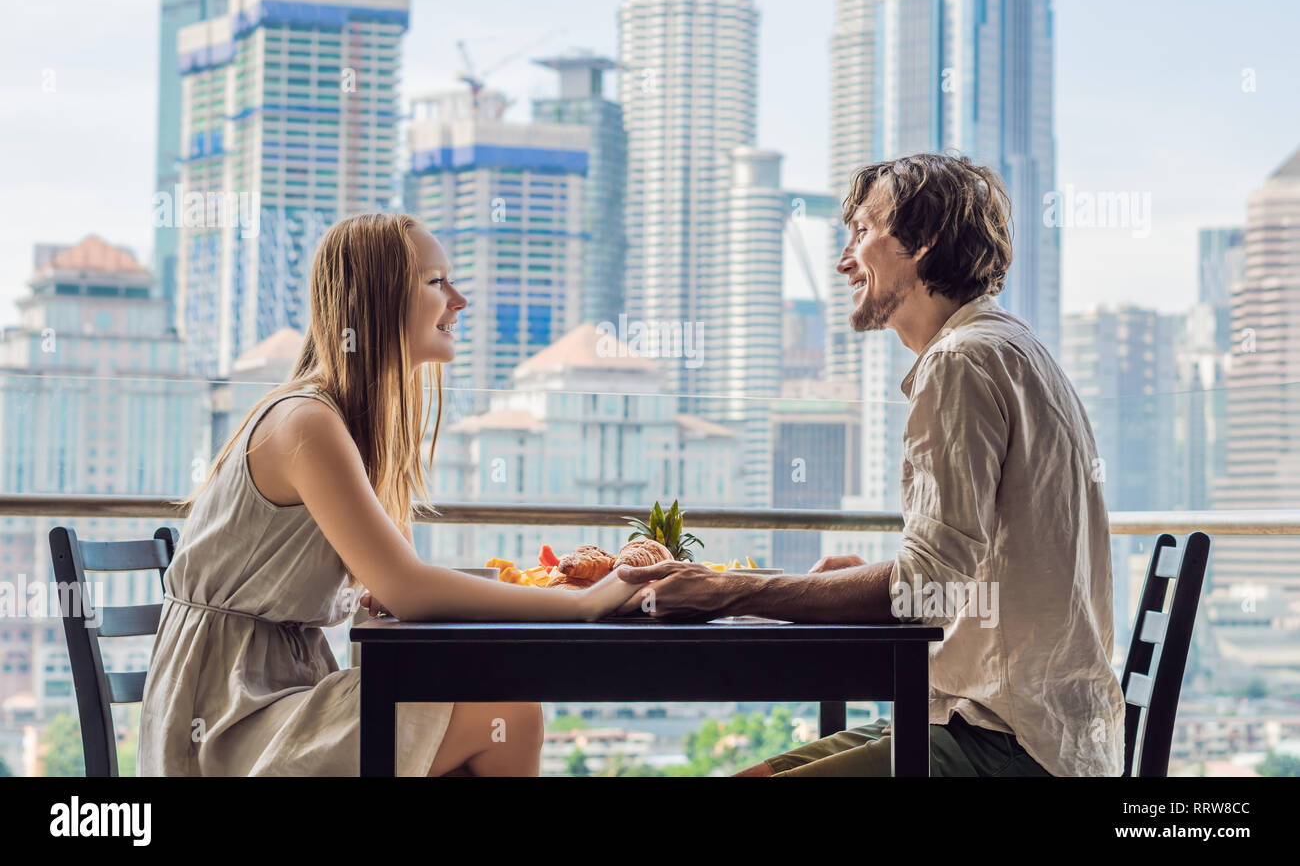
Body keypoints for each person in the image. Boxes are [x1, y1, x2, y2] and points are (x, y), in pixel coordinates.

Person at [615, 153, 1127, 777]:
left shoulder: (961, 362)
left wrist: (732, 590)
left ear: (923, 242)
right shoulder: (1013, 347)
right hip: (1006, 721)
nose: (842, 259)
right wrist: (860, 584)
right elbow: (963, 572)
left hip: (1005, 744)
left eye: (862, 232)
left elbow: (921, 593)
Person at [138, 213, 640, 777]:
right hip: (226, 727)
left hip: (275, 697)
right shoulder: (307, 422)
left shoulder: (352, 427)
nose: (459, 300)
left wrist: (398, 587)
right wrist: (577, 605)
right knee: (510, 713)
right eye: (435, 282)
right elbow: (409, 589)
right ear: (377, 299)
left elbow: (397, 582)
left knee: (491, 712)